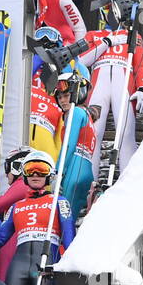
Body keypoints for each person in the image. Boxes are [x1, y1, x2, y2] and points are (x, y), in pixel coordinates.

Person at [0, 150, 73, 285]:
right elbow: (0, 239)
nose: (35, 174)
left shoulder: (60, 201)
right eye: (30, 169)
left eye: (41, 169)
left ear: (50, 174)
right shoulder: (16, 206)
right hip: (19, 264)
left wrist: (66, 268)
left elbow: (70, 241)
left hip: (47, 263)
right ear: (23, 173)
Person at [80, 0, 143, 175]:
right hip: (99, 83)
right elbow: (82, 61)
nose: (112, 11)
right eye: (108, 7)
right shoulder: (93, 35)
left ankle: (128, 181)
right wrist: (106, 42)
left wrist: (142, 88)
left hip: (124, 83)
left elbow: (140, 64)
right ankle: (89, 183)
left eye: (115, 6)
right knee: (93, 133)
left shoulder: (133, 35)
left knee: (125, 134)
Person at [53, 61, 98, 225]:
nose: (62, 100)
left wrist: (58, 171)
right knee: (69, 220)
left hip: (75, 168)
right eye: (59, 97)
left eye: (66, 95)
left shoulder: (76, 112)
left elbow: (69, 146)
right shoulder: (85, 114)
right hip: (85, 168)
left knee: (64, 221)